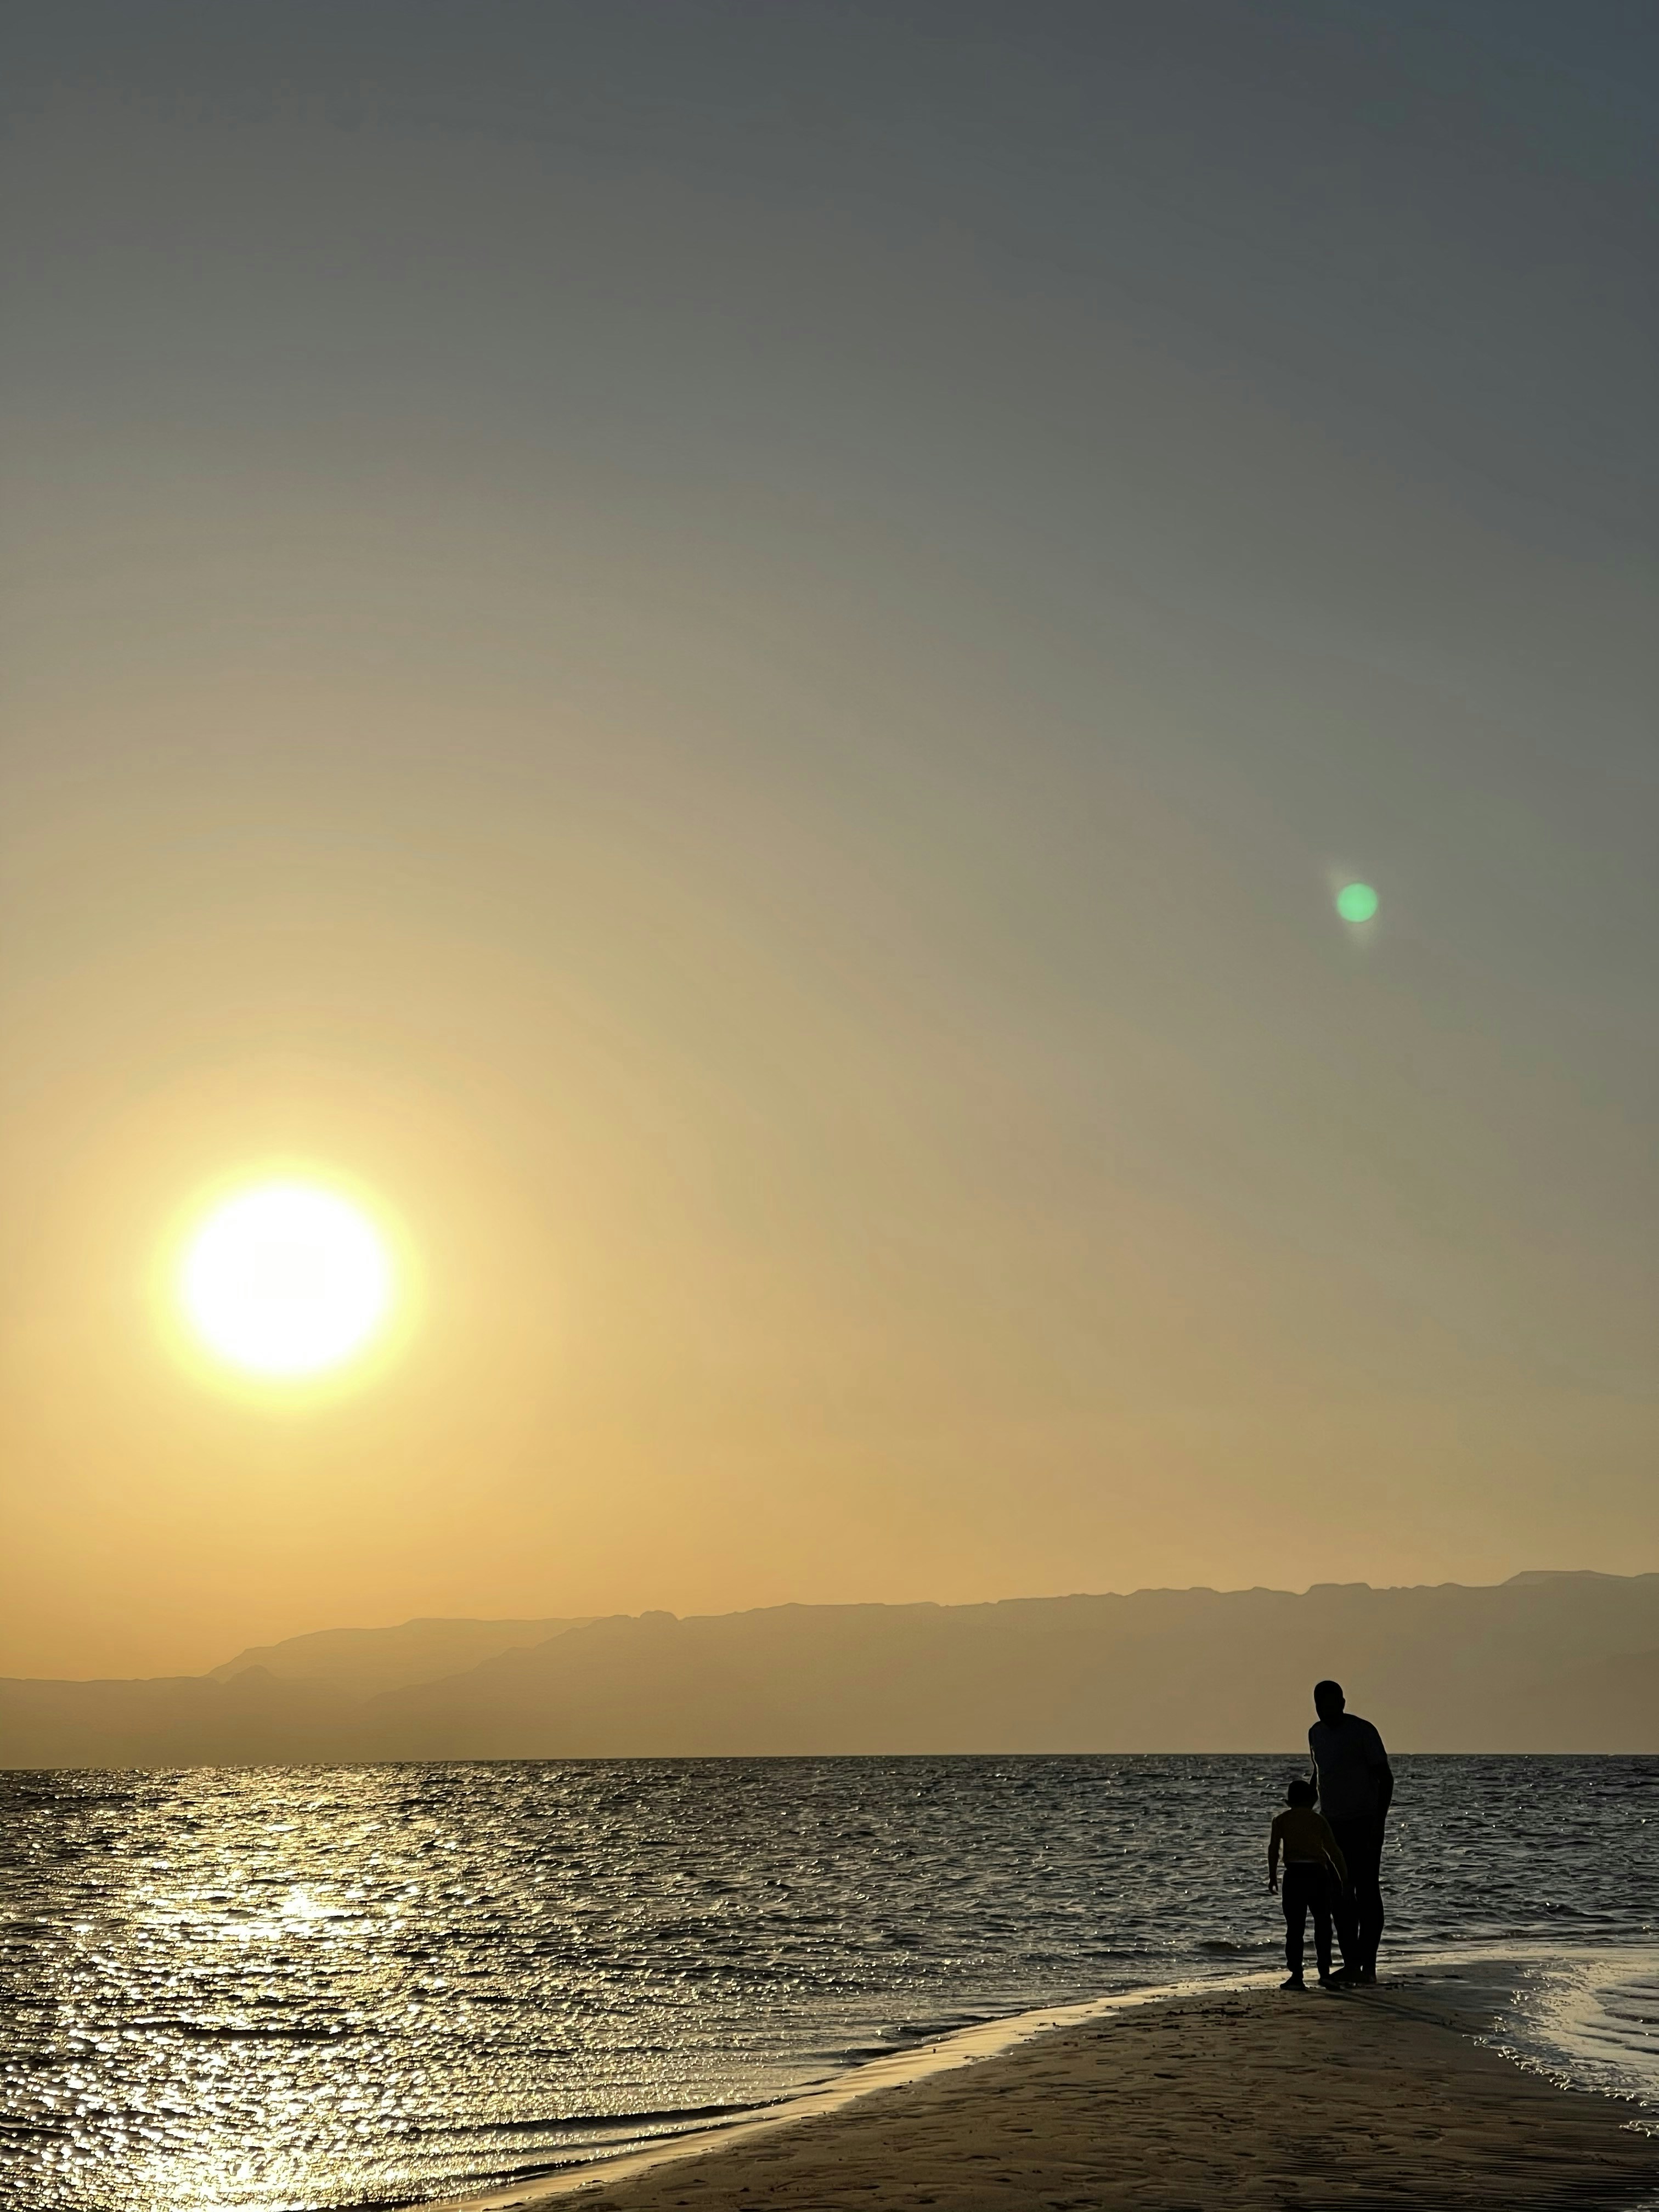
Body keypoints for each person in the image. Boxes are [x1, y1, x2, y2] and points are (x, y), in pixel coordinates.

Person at [1309, 1679, 1393, 1984]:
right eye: (1320, 1706)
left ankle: (1367, 1967)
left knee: (1367, 1893)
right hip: (1331, 1826)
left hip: (1364, 1822)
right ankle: (1351, 1964)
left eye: (1331, 1705)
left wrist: (1379, 1823)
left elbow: (1386, 1779)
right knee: (1339, 1897)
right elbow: (1320, 1775)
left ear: (1343, 1704)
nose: (1325, 1711)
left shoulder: (1363, 1731)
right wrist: (1304, 1811)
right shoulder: (1315, 1734)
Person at [1267, 1776, 1347, 1989]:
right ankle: (1325, 1972)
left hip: (1294, 1875)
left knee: (1295, 1928)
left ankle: (1297, 1974)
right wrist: (1343, 1877)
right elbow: (1334, 1852)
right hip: (1318, 1874)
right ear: (1313, 1800)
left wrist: (1272, 1876)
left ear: (1289, 1801)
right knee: (1323, 1924)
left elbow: (1274, 1849)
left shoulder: (1281, 1820)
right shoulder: (1319, 1820)